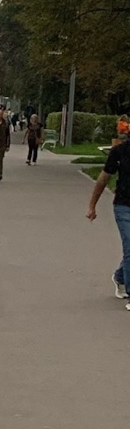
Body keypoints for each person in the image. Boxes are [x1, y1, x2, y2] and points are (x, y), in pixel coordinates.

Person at [88, 125, 130, 306]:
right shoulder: (119, 152)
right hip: (124, 206)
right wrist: (92, 206)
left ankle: (120, 276)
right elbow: (104, 178)